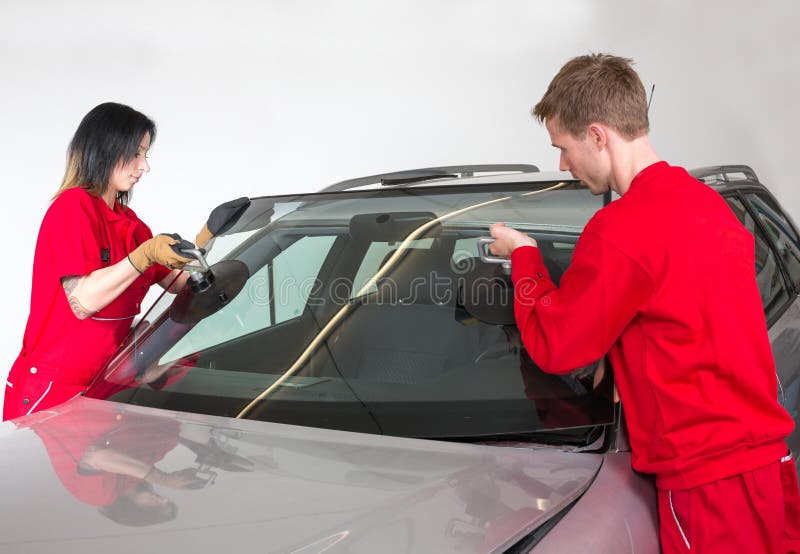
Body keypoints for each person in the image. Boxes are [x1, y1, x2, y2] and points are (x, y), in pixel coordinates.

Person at [489, 54, 800, 553]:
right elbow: (679, 320)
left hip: (708, 488)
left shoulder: (622, 230)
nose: (562, 165)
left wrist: (525, 256)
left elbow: (558, 345)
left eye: (563, 148)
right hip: (765, 469)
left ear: (597, 135)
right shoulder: (706, 205)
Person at [3, 102, 193, 422]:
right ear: (105, 149)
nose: (144, 166)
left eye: (146, 154)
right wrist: (144, 255)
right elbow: (83, 301)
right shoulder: (72, 208)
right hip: (53, 388)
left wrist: (211, 240)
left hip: (102, 386)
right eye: (136, 153)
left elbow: (179, 285)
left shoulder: (129, 223)